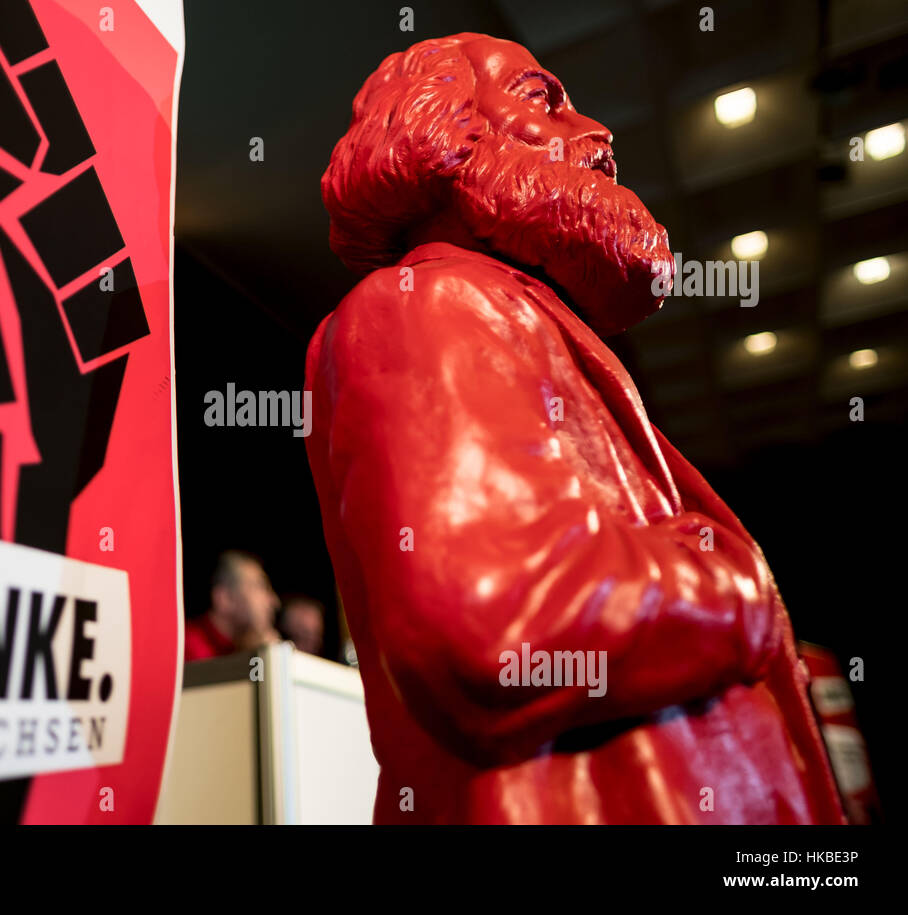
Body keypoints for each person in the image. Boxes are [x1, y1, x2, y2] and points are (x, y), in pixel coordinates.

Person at [305, 33, 844, 823]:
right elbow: (491, 622)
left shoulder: (514, 315)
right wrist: (738, 587)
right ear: (441, 131)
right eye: (540, 98)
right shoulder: (430, 302)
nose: (598, 132)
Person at [183, 551, 280, 661]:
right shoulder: (190, 647)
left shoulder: (241, 644)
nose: (274, 602)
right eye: (260, 587)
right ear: (225, 598)